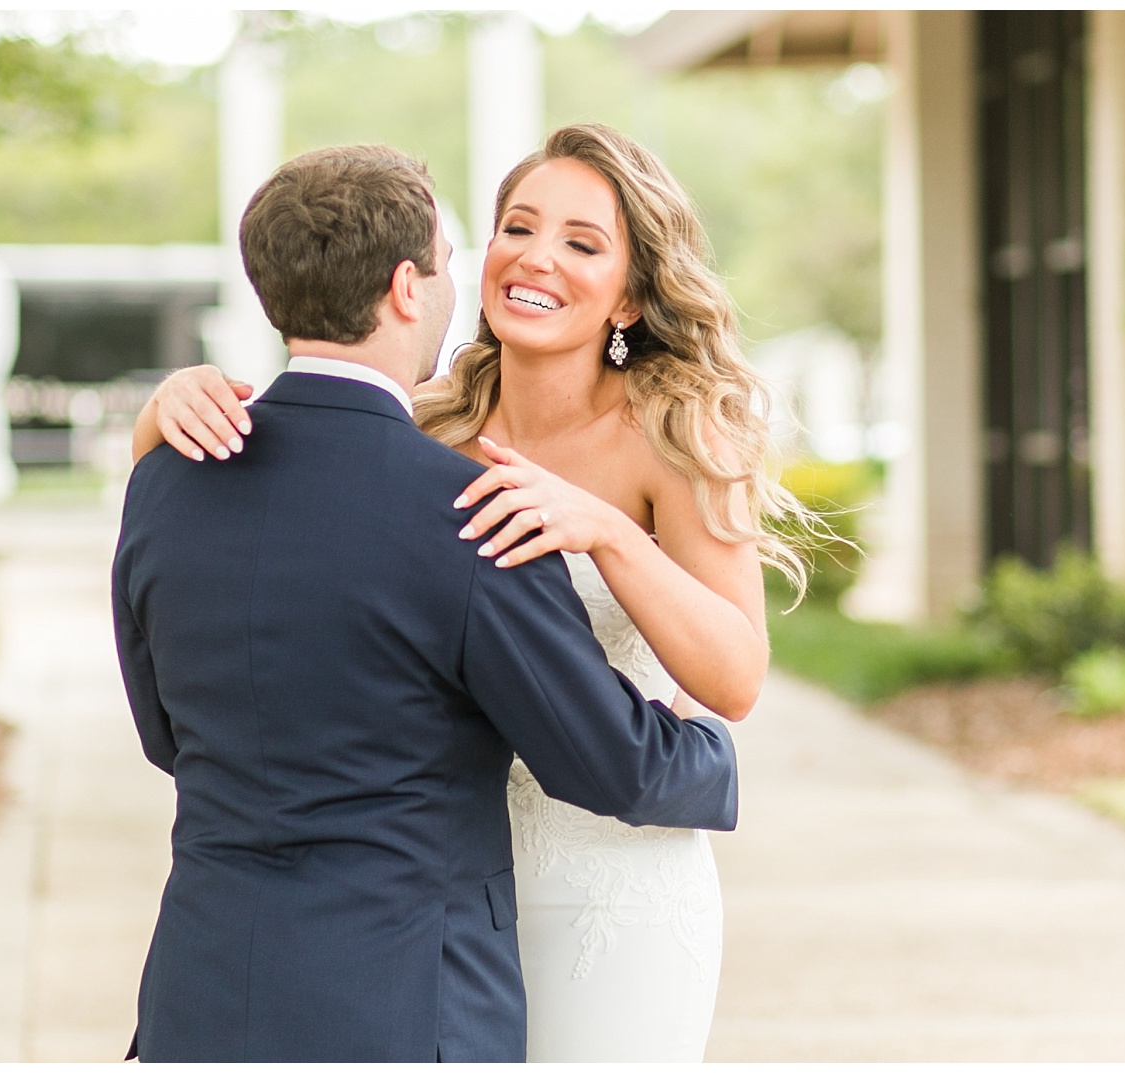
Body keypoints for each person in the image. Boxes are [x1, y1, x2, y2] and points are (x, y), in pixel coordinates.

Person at [136, 124, 820, 1061]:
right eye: (516, 227)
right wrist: (162, 412)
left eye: (582, 243)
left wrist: (610, 532)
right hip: (430, 905)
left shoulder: (679, 435)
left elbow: (735, 678)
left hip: (607, 888)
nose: (536, 257)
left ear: (630, 289)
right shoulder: (421, 435)